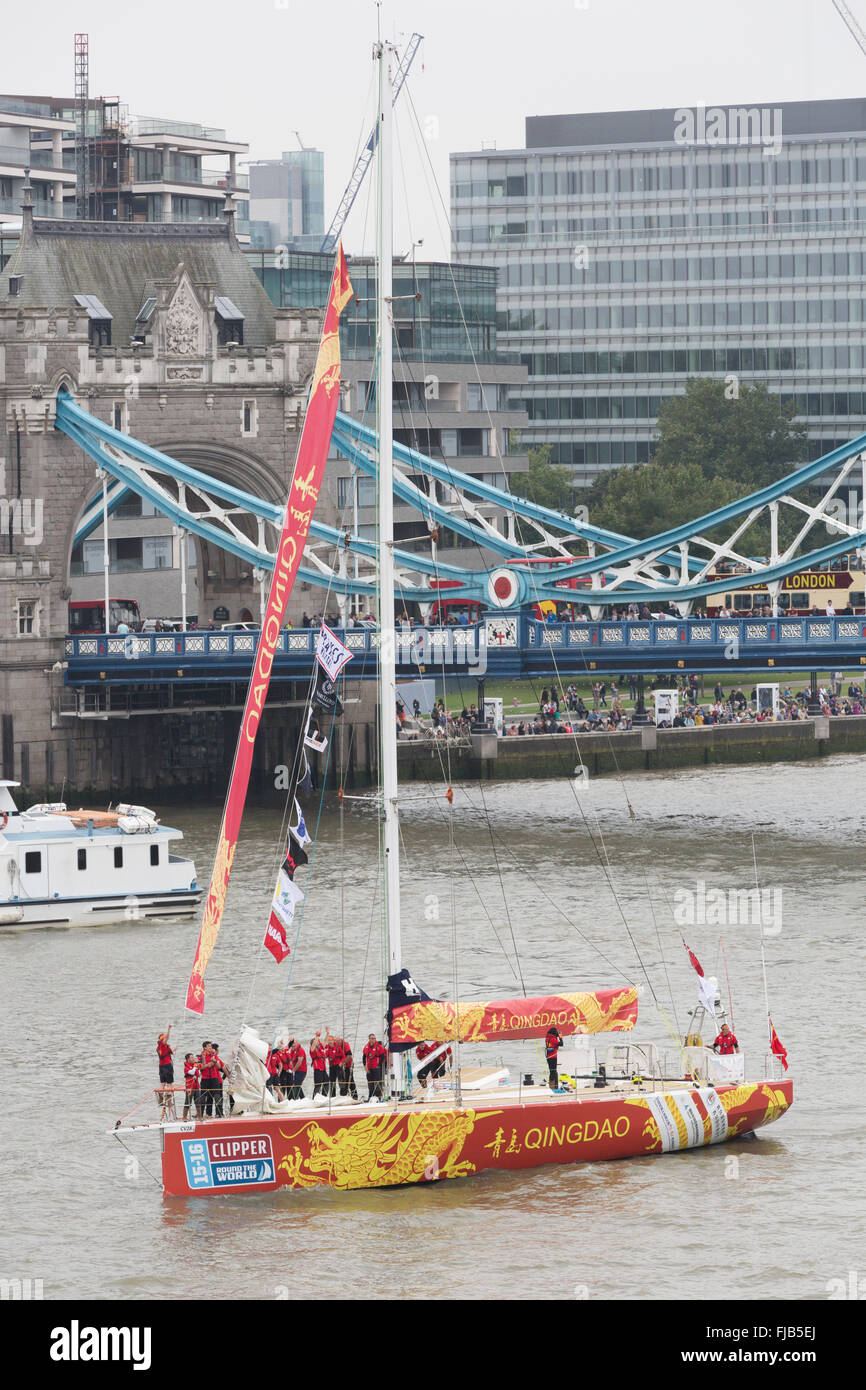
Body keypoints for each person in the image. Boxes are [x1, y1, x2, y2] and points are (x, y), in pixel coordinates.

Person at [198, 1042, 226, 1119]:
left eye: (211, 1046)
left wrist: (214, 1061)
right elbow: (200, 1067)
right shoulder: (201, 1056)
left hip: (214, 1078)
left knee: (217, 1095)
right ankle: (200, 1114)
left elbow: (219, 1066)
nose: (211, 1047)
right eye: (209, 1046)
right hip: (205, 1079)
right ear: (205, 1048)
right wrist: (208, 1064)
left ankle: (219, 1113)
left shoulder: (213, 1055)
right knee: (203, 1097)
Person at [362, 1033, 386, 1100]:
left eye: (374, 1038)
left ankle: (378, 1097)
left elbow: (382, 1057)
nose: (373, 1040)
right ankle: (370, 1097)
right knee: (370, 1083)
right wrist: (365, 1066)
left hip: (376, 1067)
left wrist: (379, 1065)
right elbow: (363, 1057)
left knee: (377, 1083)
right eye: (371, 1038)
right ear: (369, 1039)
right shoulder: (366, 1046)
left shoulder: (379, 1046)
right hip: (369, 1067)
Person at [545, 1025, 564, 1090]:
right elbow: (561, 1044)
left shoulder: (547, 1038)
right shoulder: (553, 1039)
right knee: (554, 1071)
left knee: (552, 1071)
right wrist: (560, 1037)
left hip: (548, 1057)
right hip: (553, 1057)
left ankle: (553, 1086)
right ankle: (553, 1087)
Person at [182, 1053, 200, 1121]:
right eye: (192, 1057)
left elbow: (198, 1074)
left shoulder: (195, 1066)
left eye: (193, 1057)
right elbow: (192, 1072)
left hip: (196, 1087)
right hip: (189, 1087)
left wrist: (196, 1065)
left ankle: (199, 1116)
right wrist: (195, 1065)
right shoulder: (186, 1067)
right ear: (188, 1059)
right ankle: (184, 1117)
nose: (193, 1059)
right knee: (187, 1102)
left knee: (198, 1102)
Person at [310, 1033, 328, 1098]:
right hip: (318, 1070)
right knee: (318, 1086)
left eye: (318, 1041)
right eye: (317, 1041)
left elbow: (325, 1042)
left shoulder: (321, 1048)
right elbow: (313, 1046)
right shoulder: (312, 1050)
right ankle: (314, 1098)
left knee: (327, 1083)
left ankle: (323, 1097)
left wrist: (327, 1033)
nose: (318, 1042)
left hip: (323, 1070)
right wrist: (316, 1036)